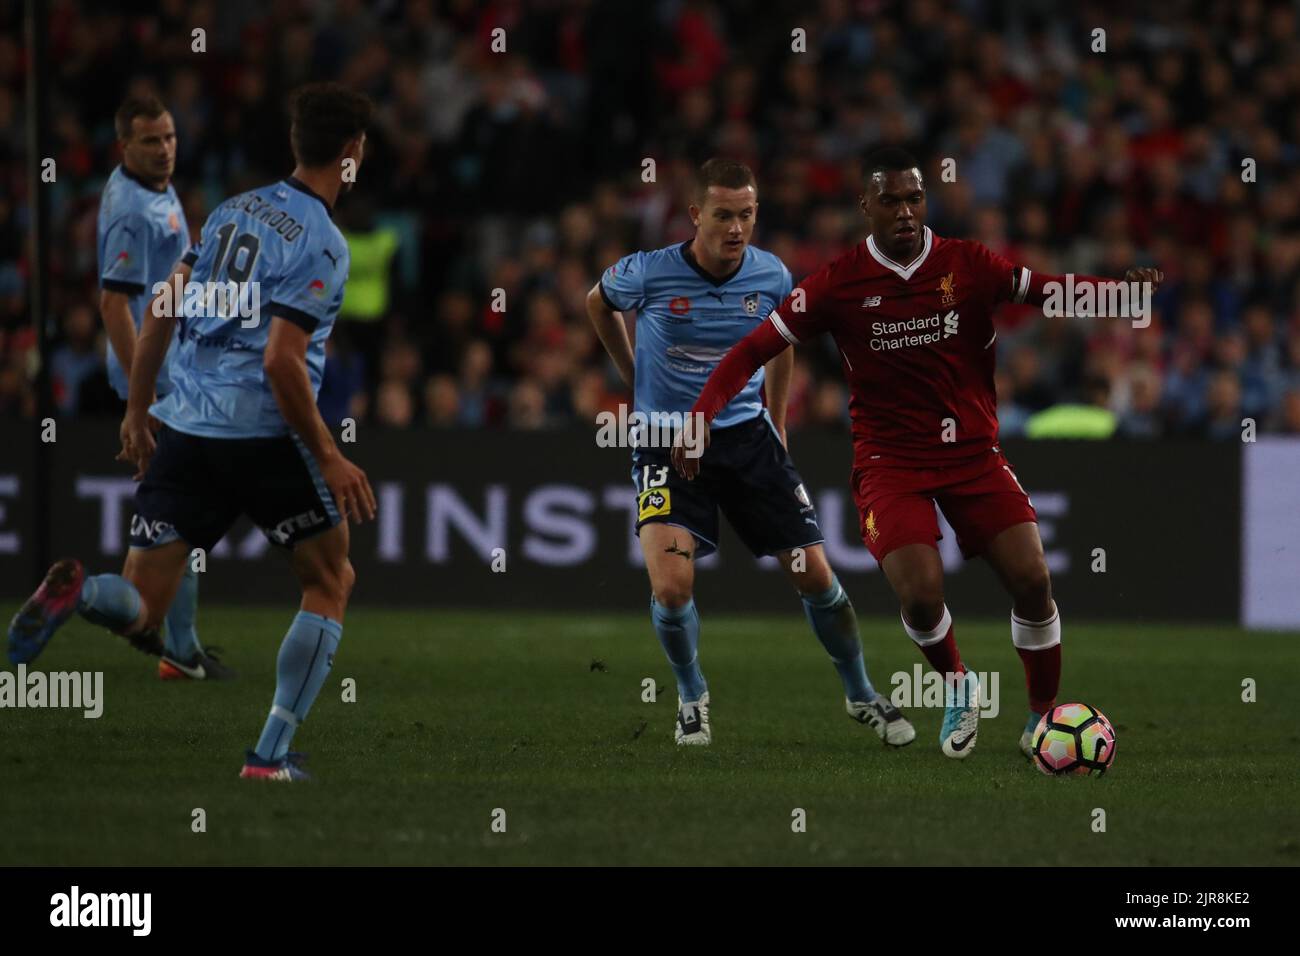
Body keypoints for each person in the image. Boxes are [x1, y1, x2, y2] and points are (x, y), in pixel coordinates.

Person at [677, 146, 1162, 760]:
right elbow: (752, 350)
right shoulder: (838, 284)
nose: (905, 212)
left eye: (914, 199)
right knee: (922, 594)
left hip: (974, 454)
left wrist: (1122, 296)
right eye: (891, 201)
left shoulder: (967, 263)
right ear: (865, 207)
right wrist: (700, 417)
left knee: (1033, 579)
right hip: (890, 464)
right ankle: (958, 685)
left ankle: (1042, 719)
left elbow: (1050, 291)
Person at [8, 83, 378, 782]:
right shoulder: (326, 243)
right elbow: (280, 360)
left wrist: (138, 409)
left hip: (185, 426)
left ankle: (81, 589)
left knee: (142, 606)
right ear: (353, 153)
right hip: (264, 435)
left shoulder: (232, 210)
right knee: (330, 580)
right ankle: (269, 757)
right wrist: (327, 455)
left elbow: (161, 313)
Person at [587, 158, 914, 748]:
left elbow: (782, 341)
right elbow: (597, 303)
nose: (736, 228)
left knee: (815, 577)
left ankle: (861, 692)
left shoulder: (770, 276)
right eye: (723, 215)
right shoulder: (649, 273)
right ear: (695, 216)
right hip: (665, 440)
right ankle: (691, 695)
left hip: (746, 435)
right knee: (671, 587)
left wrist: (779, 420)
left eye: (746, 215)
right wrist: (634, 377)